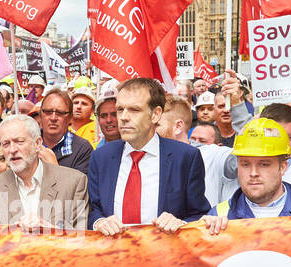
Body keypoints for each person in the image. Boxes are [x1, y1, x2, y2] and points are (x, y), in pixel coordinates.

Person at [87, 77, 209, 234]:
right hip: (113, 254)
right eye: (120, 109)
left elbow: (199, 214)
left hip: (164, 254)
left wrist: (181, 223)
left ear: (155, 114)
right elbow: (93, 209)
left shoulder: (185, 158)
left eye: (134, 110)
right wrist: (99, 222)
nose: (123, 117)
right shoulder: (101, 157)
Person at [203, 118, 291, 234]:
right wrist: (204, 235)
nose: (253, 173)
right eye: (245, 164)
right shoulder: (218, 216)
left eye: (264, 164)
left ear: (283, 167)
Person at [0, 114, 88, 230]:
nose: (12, 150)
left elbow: (81, 239)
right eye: (6, 144)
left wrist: (51, 230)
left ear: (37, 143)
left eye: (19, 141)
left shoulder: (74, 182)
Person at [161, 96, 235, 210]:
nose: (150, 130)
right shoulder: (149, 159)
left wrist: (239, 111)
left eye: (157, 125)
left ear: (178, 126)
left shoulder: (212, 154)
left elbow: (247, 160)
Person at [39, 89, 93, 174]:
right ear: (40, 114)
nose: (53, 118)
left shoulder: (83, 149)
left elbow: (80, 186)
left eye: (60, 113)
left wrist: (54, 168)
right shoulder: (27, 142)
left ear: (70, 117)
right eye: (48, 112)